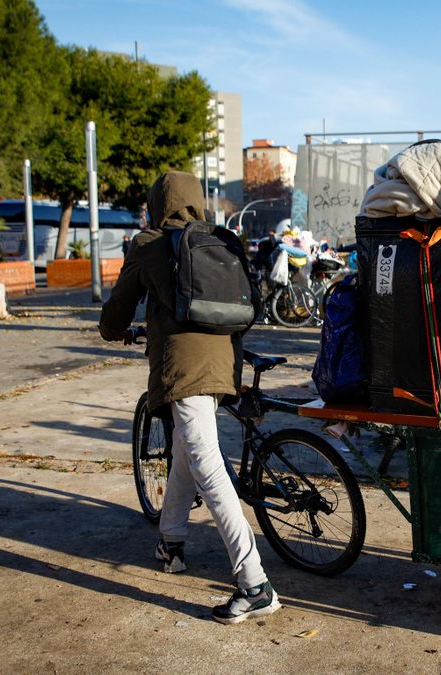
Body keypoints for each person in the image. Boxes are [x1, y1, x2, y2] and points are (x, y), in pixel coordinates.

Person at [99, 171, 280, 624]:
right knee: (185, 450)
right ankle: (171, 543)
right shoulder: (220, 240)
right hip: (223, 364)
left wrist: (114, 330)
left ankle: (255, 583)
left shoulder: (148, 244)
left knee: (207, 466)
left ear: (157, 204)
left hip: (185, 370)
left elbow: (118, 308)